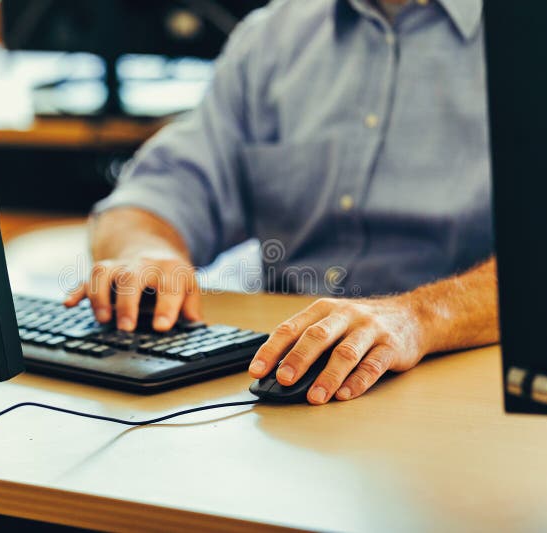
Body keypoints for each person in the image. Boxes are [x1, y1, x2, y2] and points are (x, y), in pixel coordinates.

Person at [66, 0, 499, 405]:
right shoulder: (273, 36)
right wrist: (149, 253)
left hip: (456, 391)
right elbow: (156, 193)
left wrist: (417, 317)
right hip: (284, 379)